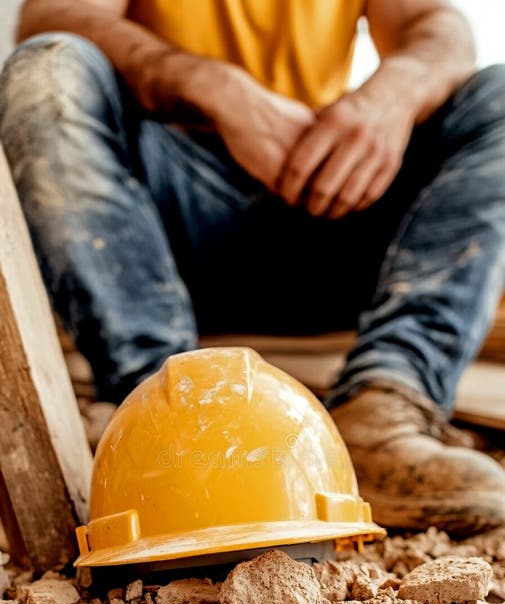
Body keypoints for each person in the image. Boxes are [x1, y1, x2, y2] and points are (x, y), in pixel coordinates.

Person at [1, 0, 505, 536]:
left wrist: (391, 97)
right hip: (158, 232)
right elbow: (53, 16)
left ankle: (383, 409)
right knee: (46, 70)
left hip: (334, 203)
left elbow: (434, 25)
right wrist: (210, 85)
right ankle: (167, 423)